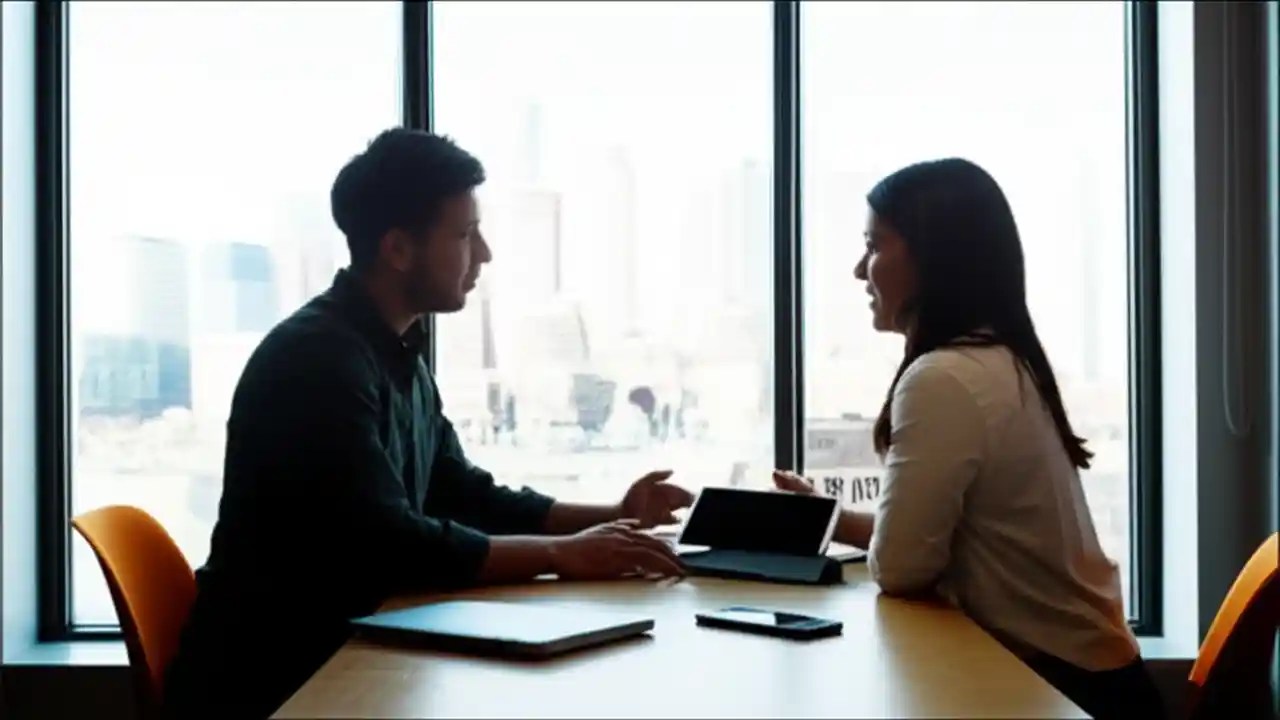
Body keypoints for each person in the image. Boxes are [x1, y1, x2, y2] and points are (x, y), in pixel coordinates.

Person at [163, 128, 692, 719]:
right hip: (279, 681)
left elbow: (458, 492)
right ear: (398, 249)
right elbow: (393, 546)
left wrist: (614, 517)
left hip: (349, 654)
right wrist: (561, 553)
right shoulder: (317, 363)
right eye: (465, 234)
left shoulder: (395, 352)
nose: (484, 254)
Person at [773, 158, 1163, 719]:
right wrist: (824, 517)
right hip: (1089, 681)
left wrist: (846, 529)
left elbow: (902, 568)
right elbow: (933, 540)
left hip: (1060, 691)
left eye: (875, 245)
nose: (861, 270)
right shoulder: (999, 359)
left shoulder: (942, 378)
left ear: (933, 257)